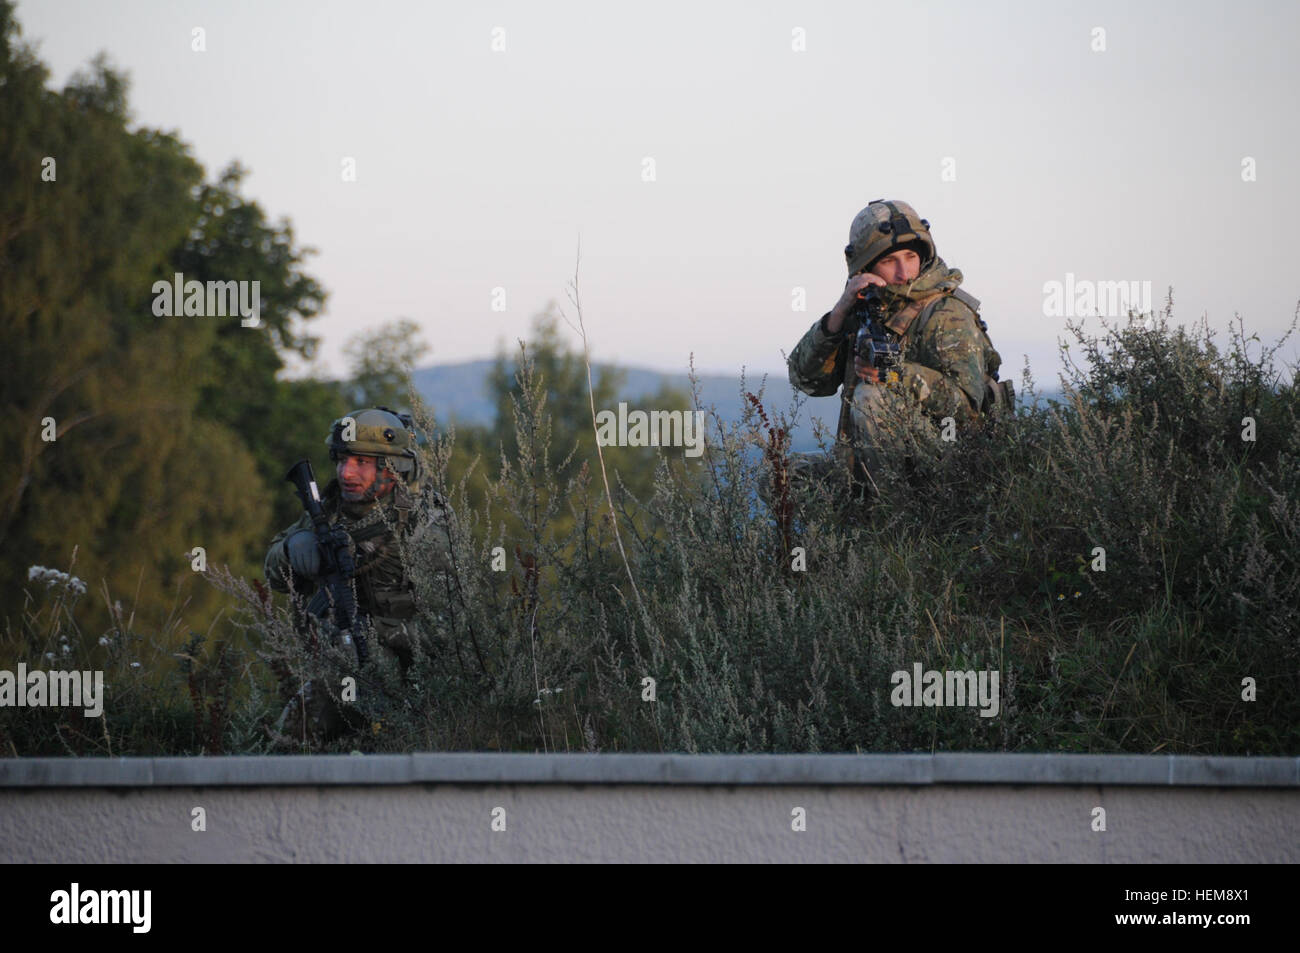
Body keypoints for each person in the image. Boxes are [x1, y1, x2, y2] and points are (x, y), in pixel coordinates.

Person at [787, 199, 1012, 495]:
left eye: (910, 257)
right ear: (865, 266)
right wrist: (839, 314)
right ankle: (856, 520)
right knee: (783, 476)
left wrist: (895, 374)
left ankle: (891, 525)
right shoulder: (864, 307)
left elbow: (967, 414)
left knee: (871, 397)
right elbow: (807, 380)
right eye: (889, 261)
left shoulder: (947, 312)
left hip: (946, 471)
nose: (904, 272)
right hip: (866, 467)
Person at [264, 406, 455, 742]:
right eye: (341, 460)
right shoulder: (328, 511)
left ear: (392, 467)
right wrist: (292, 550)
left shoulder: (427, 527)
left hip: (415, 682)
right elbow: (274, 577)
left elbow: (451, 630)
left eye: (361, 462)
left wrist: (373, 634)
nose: (346, 473)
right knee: (291, 739)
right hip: (336, 672)